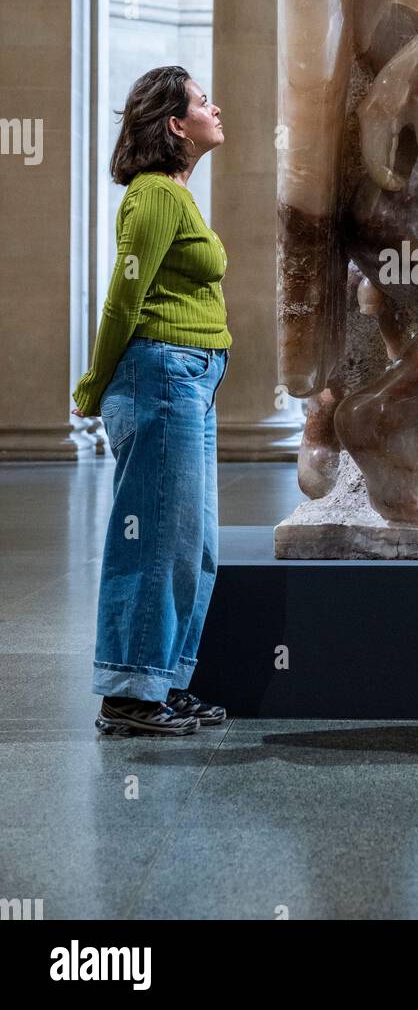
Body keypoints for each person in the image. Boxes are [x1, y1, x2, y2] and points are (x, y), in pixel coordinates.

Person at [72, 65, 232, 738]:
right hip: (161, 376)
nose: (214, 107)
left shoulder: (175, 195)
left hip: (190, 380)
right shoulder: (154, 198)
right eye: (201, 102)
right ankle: (129, 694)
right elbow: (123, 300)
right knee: (156, 540)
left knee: (194, 545)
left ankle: (163, 681)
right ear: (174, 123)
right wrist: (93, 384)